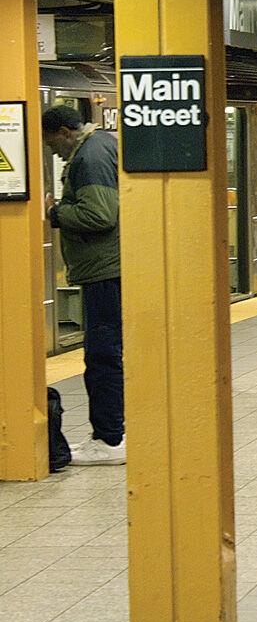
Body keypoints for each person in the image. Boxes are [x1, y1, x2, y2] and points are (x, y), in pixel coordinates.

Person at [42, 105, 125, 465]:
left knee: (101, 354)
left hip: (104, 268)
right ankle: (109, 433)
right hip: (107, 266)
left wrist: (55, 213)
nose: (53, 152)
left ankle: (109, 439)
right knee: (105, 351)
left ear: (63, 131)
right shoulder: (101, 145)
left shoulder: (89, 156)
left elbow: (100, 215)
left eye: (52, 144)